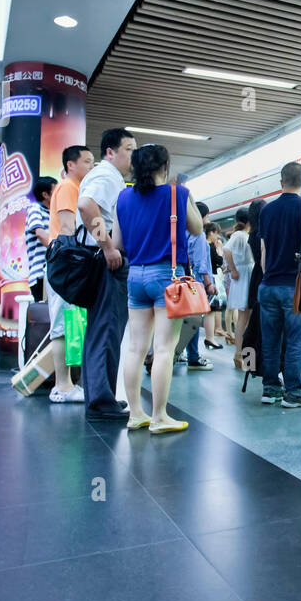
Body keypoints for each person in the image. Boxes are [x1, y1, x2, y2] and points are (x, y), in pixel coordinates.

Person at [113, 144, 204, 432]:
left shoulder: (123, 197)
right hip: (167, 275)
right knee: (163, 348)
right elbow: (198, 228)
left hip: (135, 276)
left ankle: (136, 414)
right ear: (165, 166)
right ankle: (160, 416)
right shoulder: (177, 193)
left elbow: (117, 243)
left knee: (136, 348)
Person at [78, 128, 136, 422]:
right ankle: (101, 402)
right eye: (128, 148)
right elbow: (86, 206)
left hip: (98, 260)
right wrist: (109, 246)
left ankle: (101, 397)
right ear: (110, 152)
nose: (132, 155)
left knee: (101, 329)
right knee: (107, 329)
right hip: (105, 261)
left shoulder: (108, 176)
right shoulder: (107, 176)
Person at [257, 162, 301, 407]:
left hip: (268, 284)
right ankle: (294, 392)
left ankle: (270, 389)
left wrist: (269, 275)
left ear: (281, 182)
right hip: (294, 285)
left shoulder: (267, 210)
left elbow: (264, 250)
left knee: (271, 340)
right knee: (296, 339)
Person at [47, 144, 93, 402]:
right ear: (70, 165)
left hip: (64, 264)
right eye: (86, 161)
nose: (90, 166)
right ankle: (62, 386)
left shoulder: (74, 187)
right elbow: (67, 228)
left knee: (68, 323)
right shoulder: (68, 187)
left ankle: (67, 383)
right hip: (65, 264)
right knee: (62, 326)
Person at [182, 201, 217, 370]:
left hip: (184, 281)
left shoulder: (184, 232)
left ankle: (181, 353)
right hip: (197, 284)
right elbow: (201, 263)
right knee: (194, 321)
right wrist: (208, 283)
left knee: (183, 321)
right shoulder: (200, 235)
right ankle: (193, 357)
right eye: (207, 215)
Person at [223, 207, 255, 369]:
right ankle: (242, 356)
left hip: (243, 274)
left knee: (245, 317)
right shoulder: (240, 235)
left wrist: (232, 267)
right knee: (245, 318)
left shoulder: (241, 235)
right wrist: (233, 269)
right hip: (244, 275)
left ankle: (243, 356)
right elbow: (226, 249)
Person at [26, 176, 57, 301]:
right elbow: (39, 233)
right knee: (43, 314)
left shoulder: (55, 214)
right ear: (45, 194)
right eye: (56, 190)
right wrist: (58, 249)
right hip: (40, 273)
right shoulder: (35, 209)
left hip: (54, 271)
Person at [203, 222, 226, 348]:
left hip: (209, 279)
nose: (217, 236)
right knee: (212, 309)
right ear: (211, 232)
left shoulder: (206, 244)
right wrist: (220, 250)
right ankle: (210, 338)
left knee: (211, 309)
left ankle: (210, 337)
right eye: (216, 233)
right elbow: (219, 260)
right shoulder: (209, 245)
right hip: (210, 279)